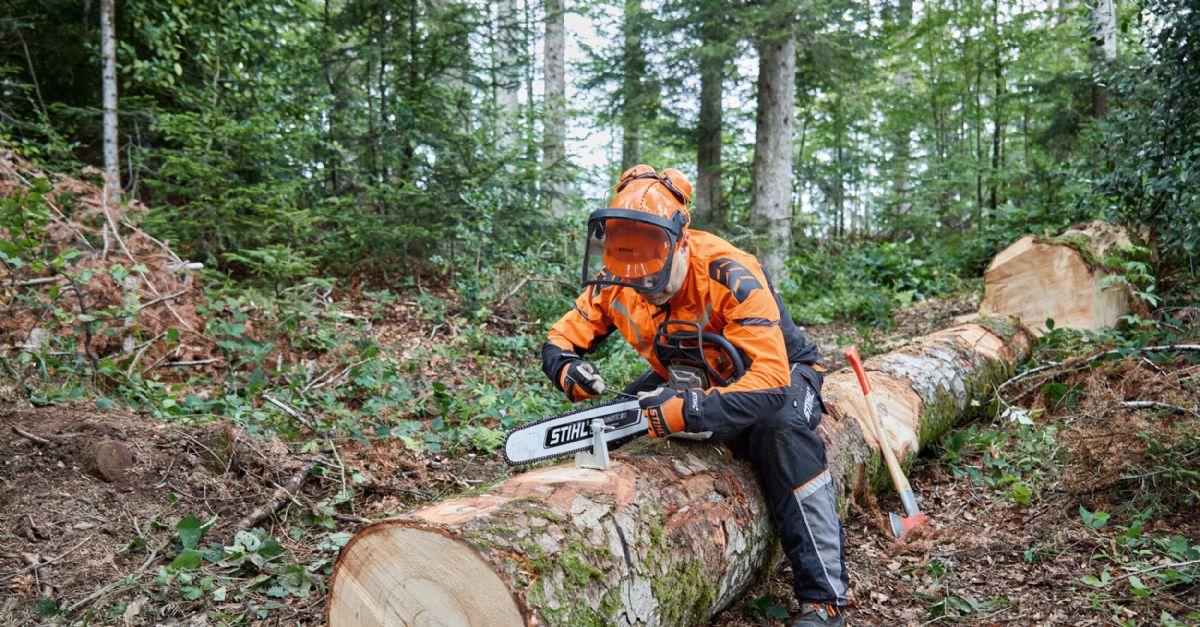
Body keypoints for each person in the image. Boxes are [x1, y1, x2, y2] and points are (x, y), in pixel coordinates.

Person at [540, 165, 850, 626]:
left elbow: (770, 382)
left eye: (654, 282)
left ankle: (823, 598)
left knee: (780, 432)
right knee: (618, 415)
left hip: (779, 373)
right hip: (692, 372)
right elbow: (562, 337)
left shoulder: (730, 273)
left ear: (680, 244)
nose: (644, 292)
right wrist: (565, 366)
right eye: (632, 282)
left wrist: (692, 411)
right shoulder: (619, 275)